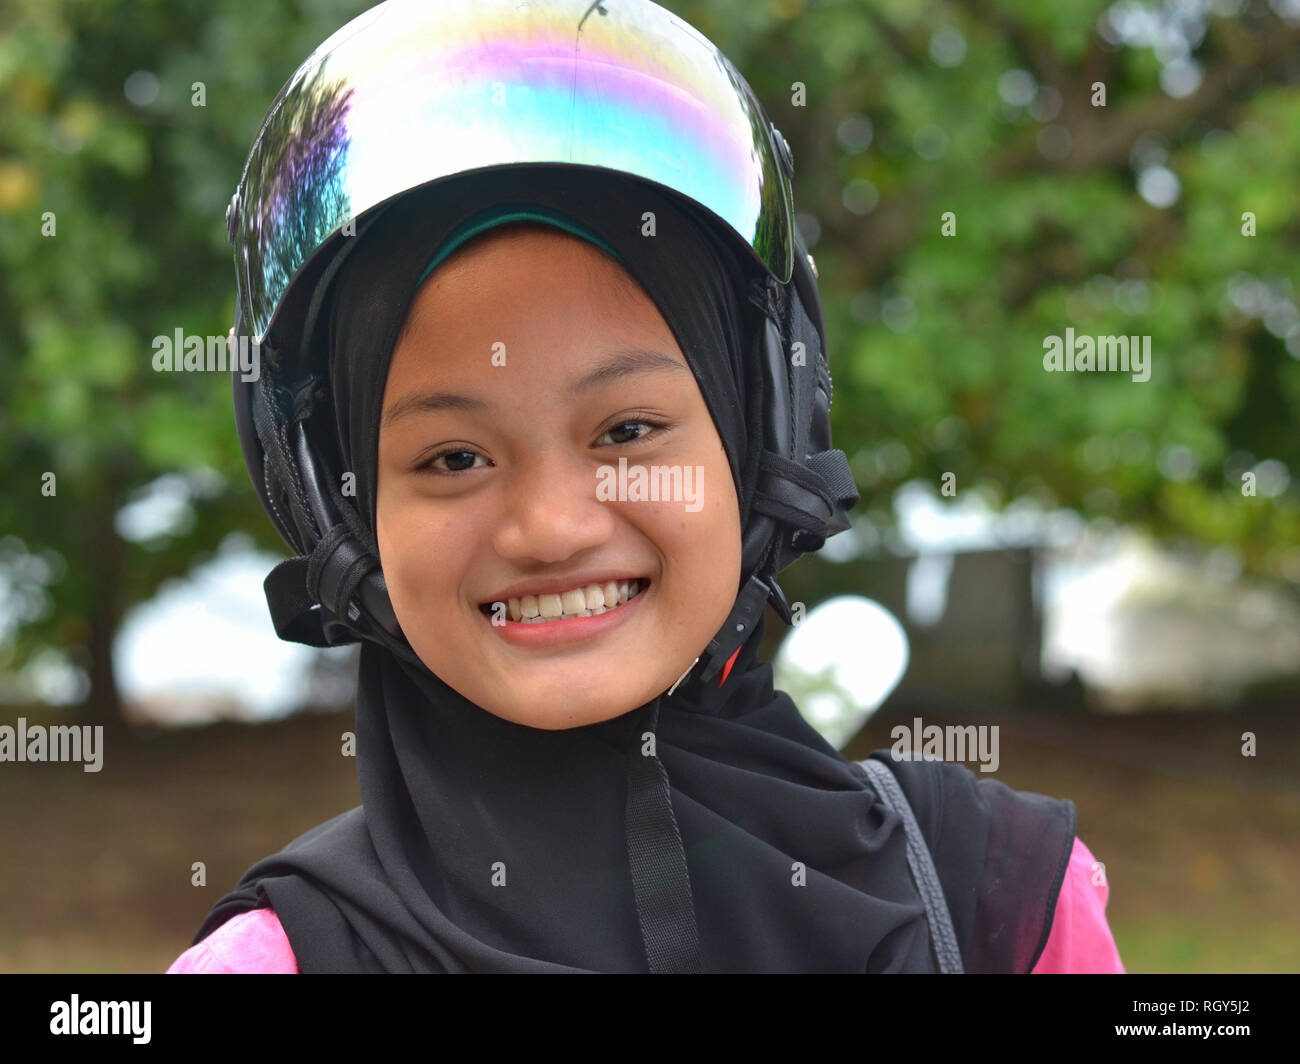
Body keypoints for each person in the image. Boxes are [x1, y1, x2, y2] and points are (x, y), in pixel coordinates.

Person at [167, 0, 1123, 974]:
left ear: (755, 437)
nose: (549, 527)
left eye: (626, 430)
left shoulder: (999, 901)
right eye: (453, 457)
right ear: (349, 510)